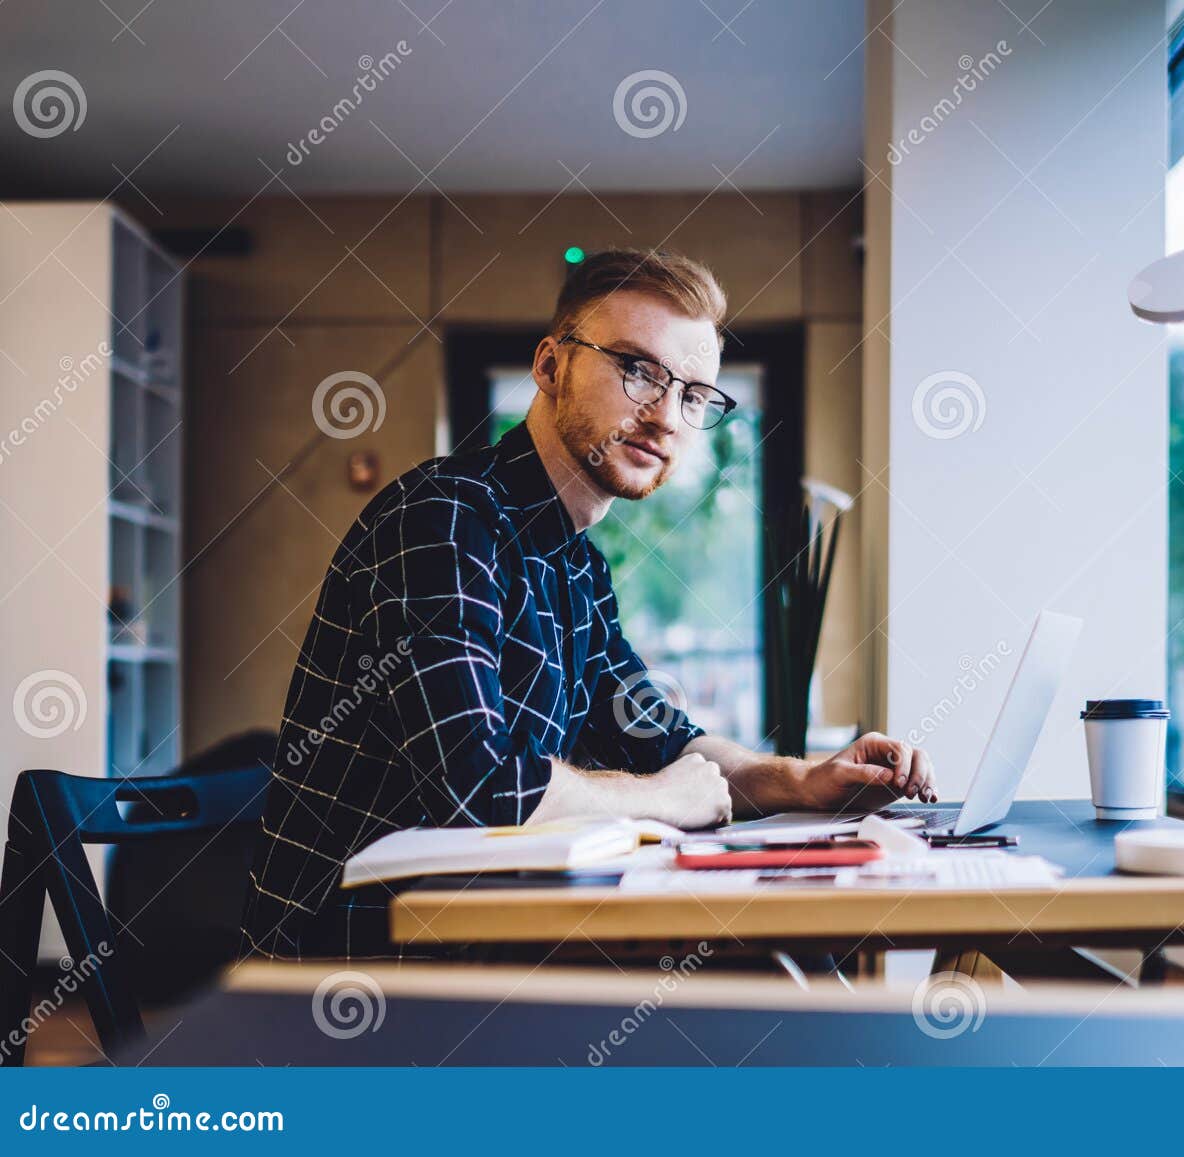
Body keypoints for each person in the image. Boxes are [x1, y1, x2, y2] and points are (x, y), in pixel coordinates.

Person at [241, 248, 935, 959]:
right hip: (351, 969)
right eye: (638, 370)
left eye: (693, 395)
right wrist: (661, 798)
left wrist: (806, 780)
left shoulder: (578, 567)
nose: (666, 417)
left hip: (483, 943)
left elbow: (667, 742)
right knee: (765, 977)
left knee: (775, 967)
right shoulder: (445, 519)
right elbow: (481, 788)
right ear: (550, 366)